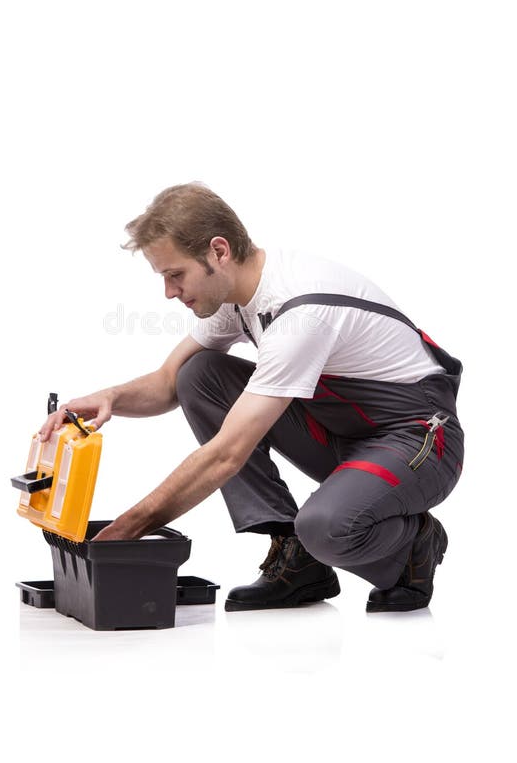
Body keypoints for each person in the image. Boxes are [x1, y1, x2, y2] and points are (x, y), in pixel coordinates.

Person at [39, 182, 464, 613]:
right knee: (199, 374)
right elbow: (168, 382)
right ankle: (297, 560)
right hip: (342, 431)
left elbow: (226, 455)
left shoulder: (301, 312)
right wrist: (109, 397)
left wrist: (127, 529)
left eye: (175, 274)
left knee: (325, 528)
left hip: (417, 442)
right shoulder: (239, 296)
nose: (169, 291)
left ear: (218, 252)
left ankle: (414, 545)